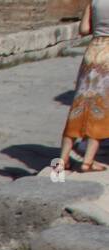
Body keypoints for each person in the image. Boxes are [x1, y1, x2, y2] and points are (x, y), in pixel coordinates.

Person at [60, 2, 109, 173]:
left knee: (79, 104)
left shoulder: (93, 2)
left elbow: (84, 29)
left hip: (92, 51)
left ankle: (63, 159)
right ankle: (88, 161)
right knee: (101, 106)